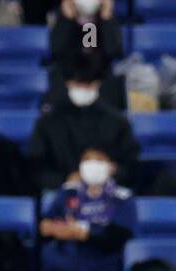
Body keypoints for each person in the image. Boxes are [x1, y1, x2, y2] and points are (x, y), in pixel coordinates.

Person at [28, 59, 139, 194]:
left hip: (108, 191)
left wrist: (112, 173)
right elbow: (36, 166)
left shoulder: (117, 121)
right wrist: (65, 180)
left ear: (98, 83)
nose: (83, 89)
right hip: (62, 191)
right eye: (78, 84)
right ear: (68, 83)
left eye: (88, 84)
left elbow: (131, 165)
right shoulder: (48, 122)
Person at [38, 147, 136, 271]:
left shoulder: (122, 197)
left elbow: (122, 234)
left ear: (112, 167)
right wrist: (61, 230)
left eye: (99, 160)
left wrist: (85, 231)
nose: (92, 164)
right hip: (63, 268)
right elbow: (46, 225)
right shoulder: (69, 192)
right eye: (87, 159)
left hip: (102, 270)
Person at [48, 0, 125, 111]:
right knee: (56, 76)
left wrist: (106, 16)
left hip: (100, 82)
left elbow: (114, 51)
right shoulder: (65, 18)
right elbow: (56, 51)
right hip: (69, 80)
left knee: (112, 82)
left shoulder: (102, 19)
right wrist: (67, 18)